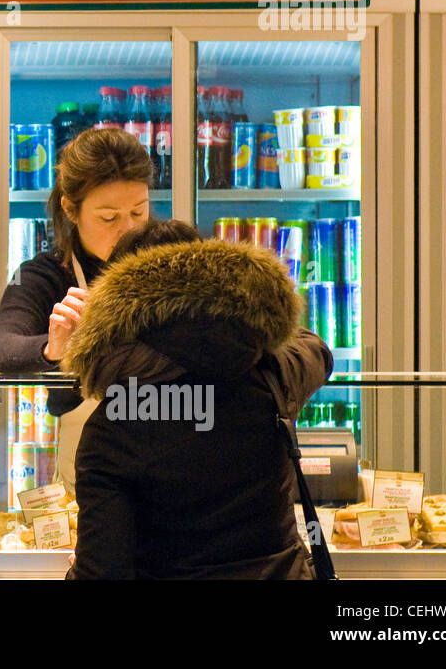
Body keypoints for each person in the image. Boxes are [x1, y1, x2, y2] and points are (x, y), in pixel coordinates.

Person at [62, 220, 333, 579]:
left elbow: (102, 573)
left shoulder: (113, 425)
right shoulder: (273, 375)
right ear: (214, 274)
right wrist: (247, 318)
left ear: (115, 306)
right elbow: (316, 350)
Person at [0, 127, 153, 490]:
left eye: (139, 211)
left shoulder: (177, 260)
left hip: (178, 482)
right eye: (109, 217)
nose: (129, 229)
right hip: (89, 492)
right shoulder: (44, 276)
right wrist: (52, 348)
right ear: (70, 210)